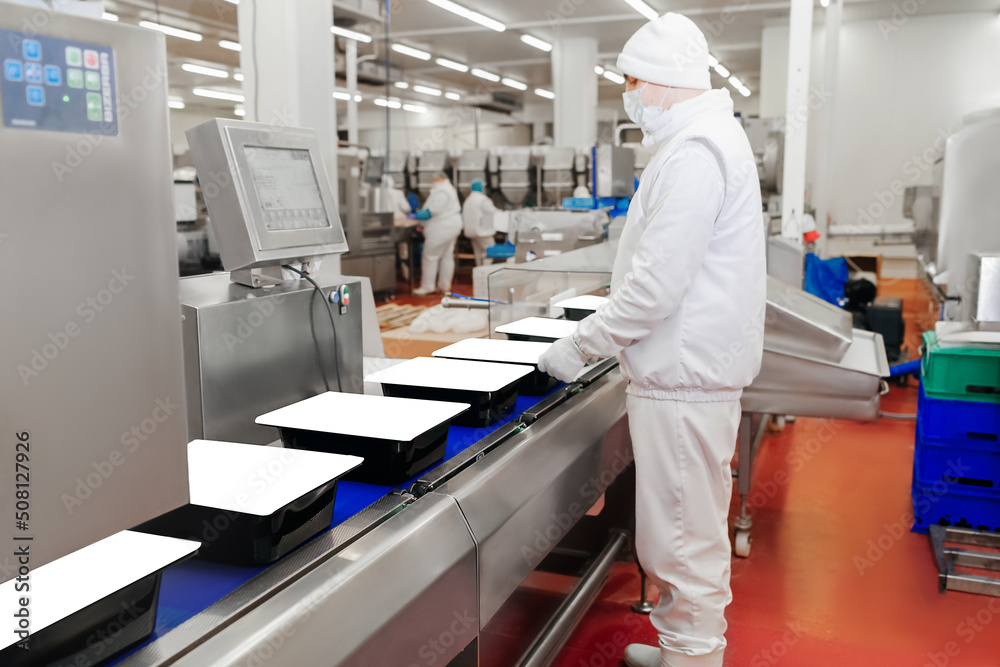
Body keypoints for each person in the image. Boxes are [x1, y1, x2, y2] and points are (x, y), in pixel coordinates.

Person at [537, 12, 766, 667]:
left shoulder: (696, 152)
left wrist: (582, 344)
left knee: (683, 536)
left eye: (634, 80)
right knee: (680, 526)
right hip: (687, 373)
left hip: (685, 378)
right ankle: (679, 645)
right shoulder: (702, 140)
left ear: (666, 80)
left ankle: (692, 656)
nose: (629, 93)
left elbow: (655, 288)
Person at [412, 172, 463, 296]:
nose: (432, 181)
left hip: (442, 227)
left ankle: (427, 286)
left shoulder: (442, 191)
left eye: (434, 179)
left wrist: (412, 216)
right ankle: (444, 286)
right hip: (450, 226)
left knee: (430, 256)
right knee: (446, 256)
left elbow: (432, 211)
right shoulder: (447, 189)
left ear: (440, 179)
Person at [462, 179, 497, 266]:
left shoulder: (468, 199)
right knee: (490, 252)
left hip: (472, 232)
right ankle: (485, 271)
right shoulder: (482, 199)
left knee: (478, 254)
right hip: (483, 233)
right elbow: (493, 213)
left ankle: (479, 271)